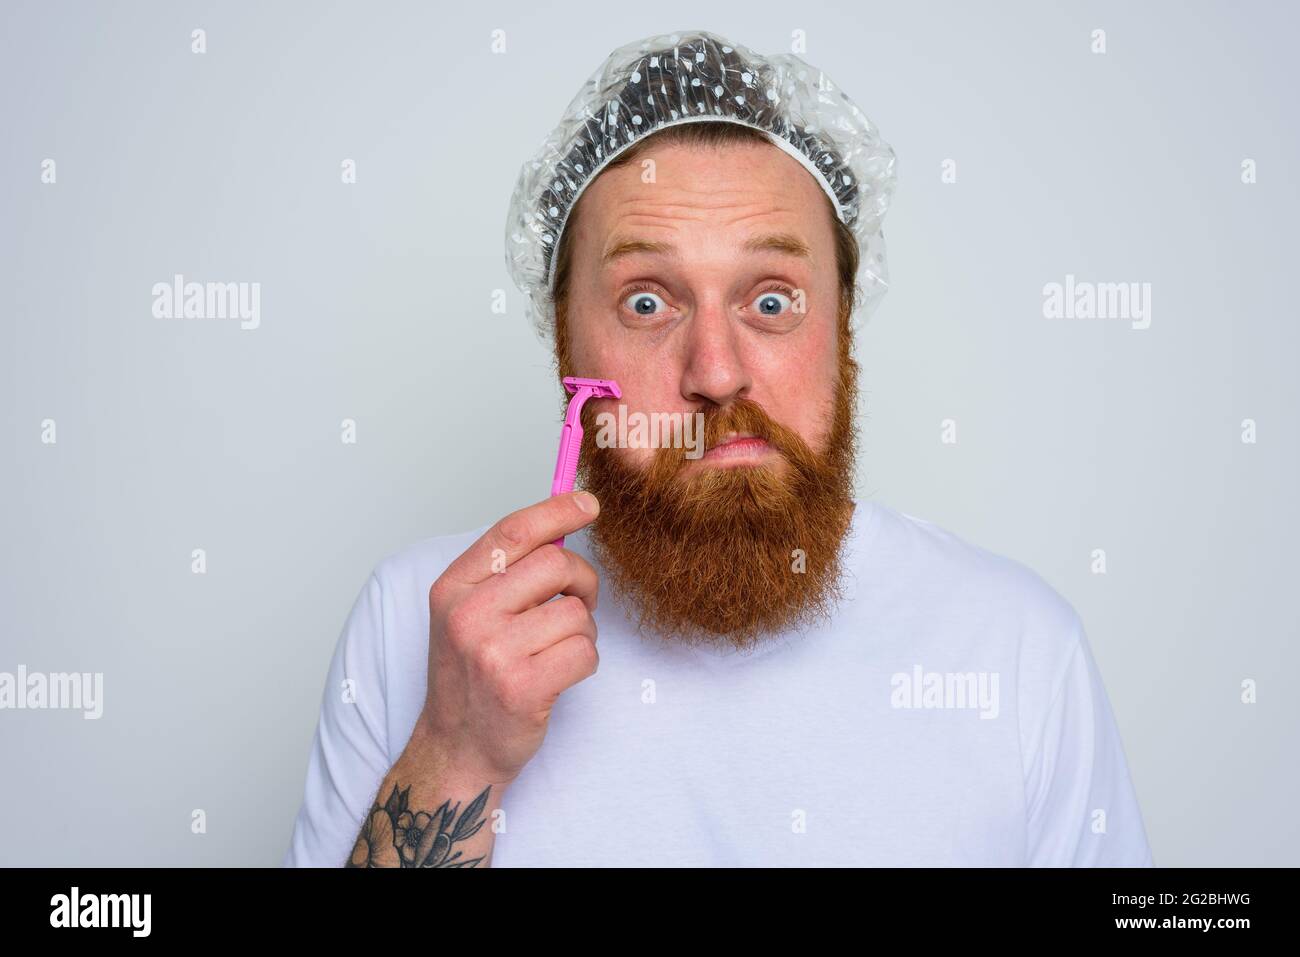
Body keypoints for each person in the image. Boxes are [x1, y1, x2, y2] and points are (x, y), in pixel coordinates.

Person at [283, 29, 1153, 867]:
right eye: (647, 303)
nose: (716, 371)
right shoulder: (421, 626)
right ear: (566, 347)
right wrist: (455, 754)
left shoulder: (1017, 651)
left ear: (842, 325)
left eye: (771, 301)